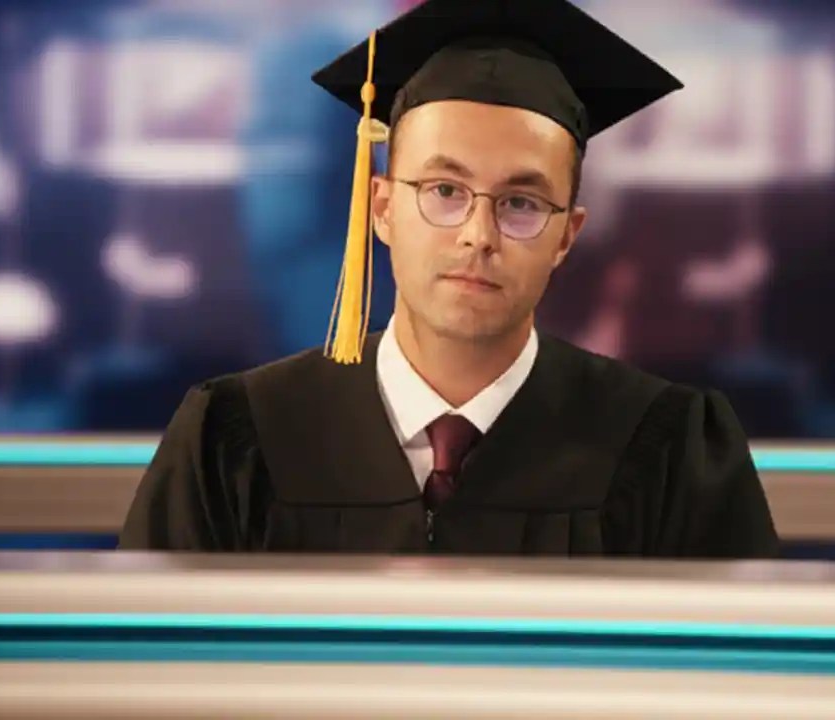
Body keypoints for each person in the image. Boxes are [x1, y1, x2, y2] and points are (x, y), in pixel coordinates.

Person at [119, 0, 779, 557]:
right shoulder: (235, 441)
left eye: (521, 203)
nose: (477, 234)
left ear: (566, 236)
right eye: (443, 189)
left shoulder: (669, 451)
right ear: (381, 208)